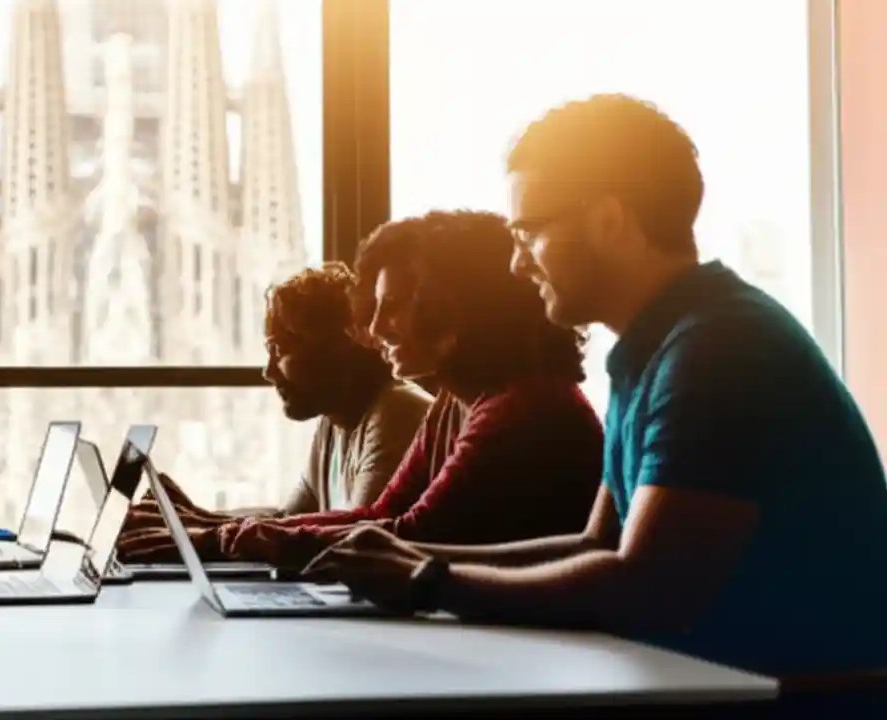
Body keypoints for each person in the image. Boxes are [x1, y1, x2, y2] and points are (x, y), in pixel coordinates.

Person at [303, 94, 887, 682]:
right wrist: (412, 560)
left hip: (801, 704)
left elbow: (650, 586)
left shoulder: (719, 351)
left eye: (527, 232)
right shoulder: (663, 346)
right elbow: (595, 543)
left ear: (609, 221)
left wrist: (428, 580)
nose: (516, 264)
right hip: (708, 685)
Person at [120, 210, 603, 568]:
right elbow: (383, 513)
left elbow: (405, 536)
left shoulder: (522, 408)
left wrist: (217, 538)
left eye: (391, 306)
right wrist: (222, 532)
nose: (374, 328)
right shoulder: (456, 405)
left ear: (453, 310)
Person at [124, 263, 431, 531]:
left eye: (281, 350)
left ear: (337, 347)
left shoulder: (396, 411)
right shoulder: (334, 420)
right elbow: (289, 519)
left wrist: (200, 527)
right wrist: (192, 519)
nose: (269, 371)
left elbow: (351, 537)